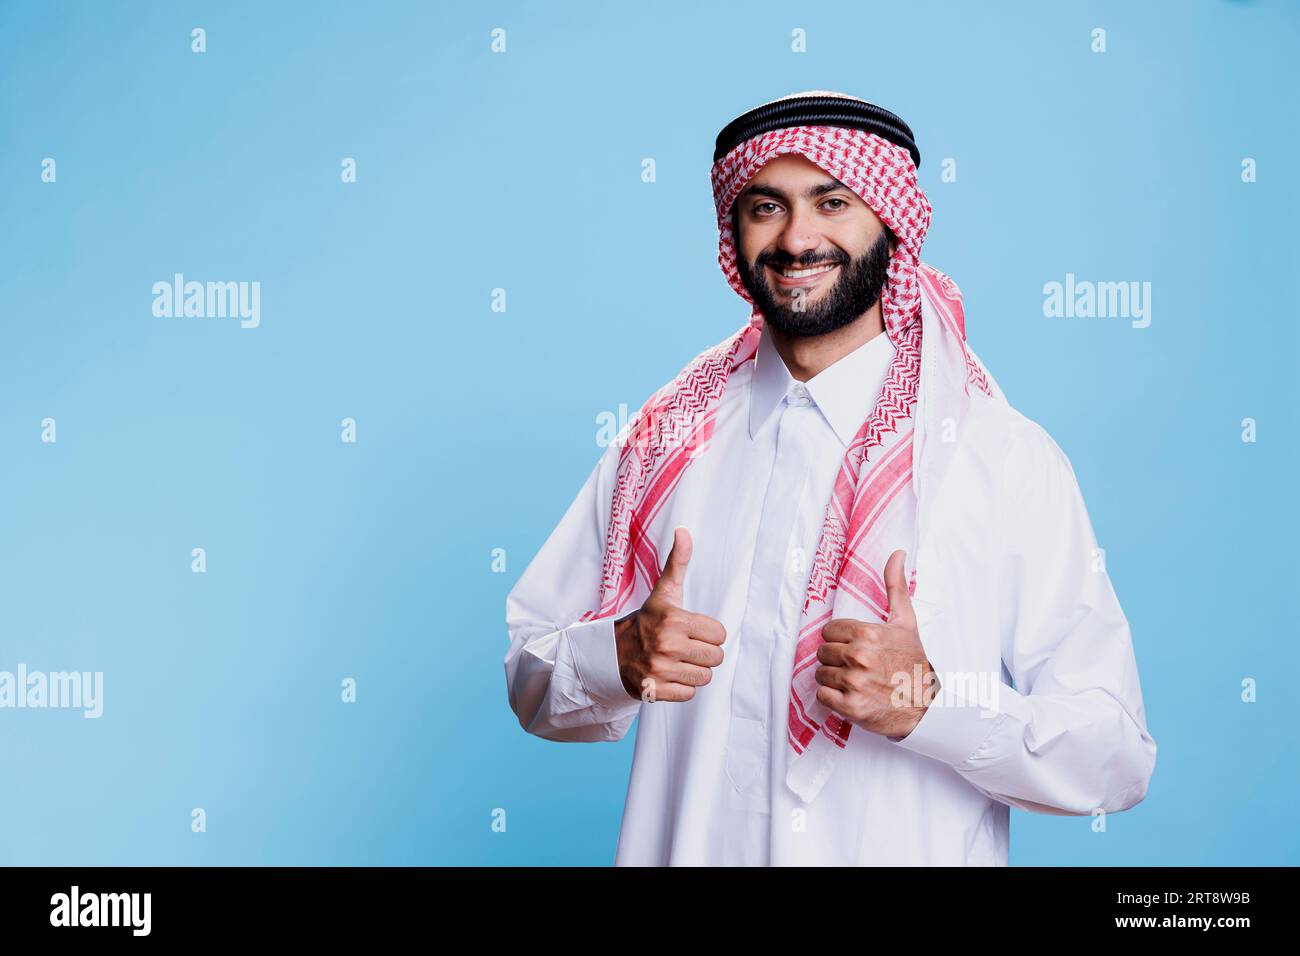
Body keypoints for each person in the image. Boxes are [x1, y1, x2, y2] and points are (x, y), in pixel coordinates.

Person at [503, 91, 1157, 866]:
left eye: (833, 201)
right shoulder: (662, 444)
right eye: (765, 206)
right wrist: (618, 655)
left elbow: (1113, 755)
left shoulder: (1000, 458)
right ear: (734, 230)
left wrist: (929, 704)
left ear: (890, 221)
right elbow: (530, 676)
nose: (796, 237)